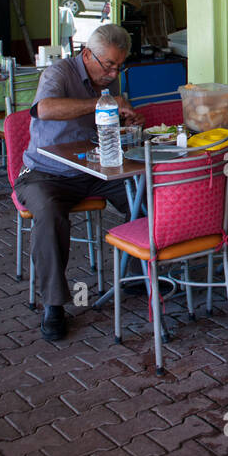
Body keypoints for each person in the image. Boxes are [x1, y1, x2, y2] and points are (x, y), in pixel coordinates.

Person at [15, 24, 142, 343]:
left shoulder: (108, 79)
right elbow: (45, 109)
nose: (113, 73)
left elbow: (109, 123)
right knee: (48, 214)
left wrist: (127, 121)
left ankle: (135, 271)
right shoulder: (58, 74)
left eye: (119, 66)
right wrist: (102, 103)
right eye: (108, 65)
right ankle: (54, 304)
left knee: (144, 195)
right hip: (47, 172)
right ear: (87, 54)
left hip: (94, 169)